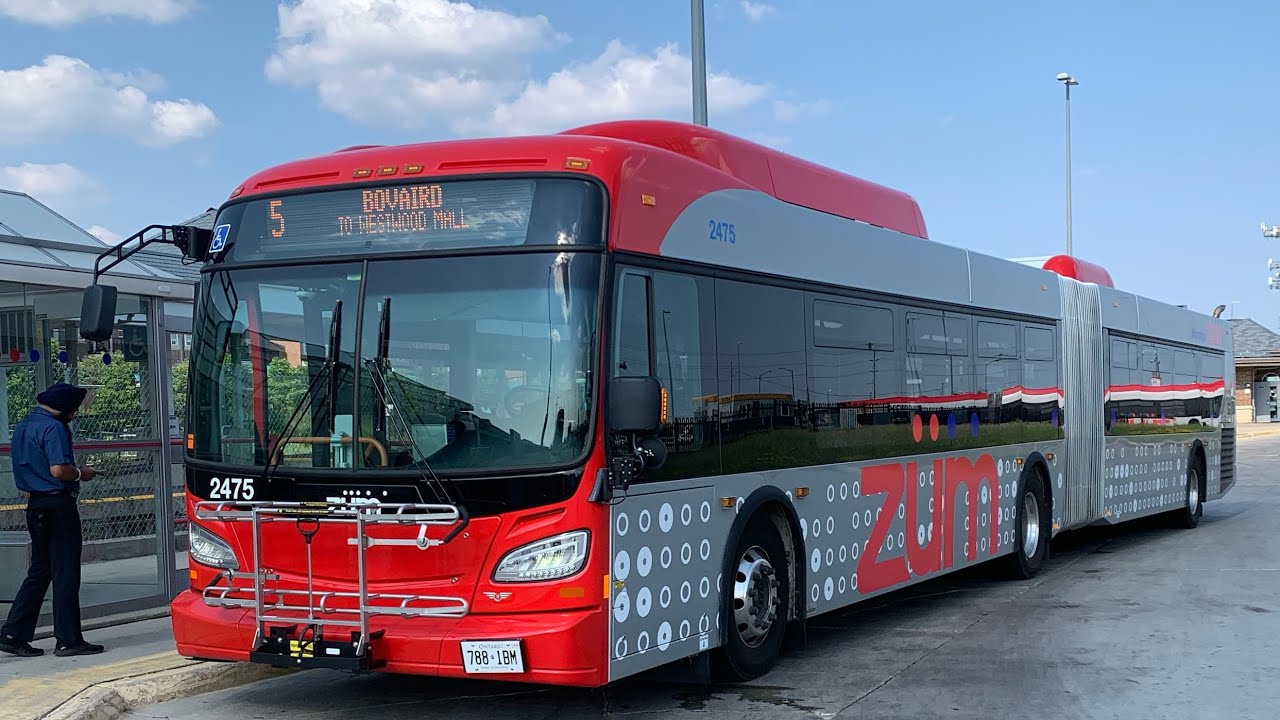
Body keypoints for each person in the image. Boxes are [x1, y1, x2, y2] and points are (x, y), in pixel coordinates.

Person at [0, 383, 104, 657]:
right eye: (74, 410)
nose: (74, 415)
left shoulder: (23, 426)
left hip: (35, 504)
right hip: (58, 504)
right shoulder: (54, 428)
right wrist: (82, 473)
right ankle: (68, 639)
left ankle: (13, 633)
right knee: (66, 571)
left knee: (40, 571)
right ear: (65, 407)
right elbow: (59, 470)